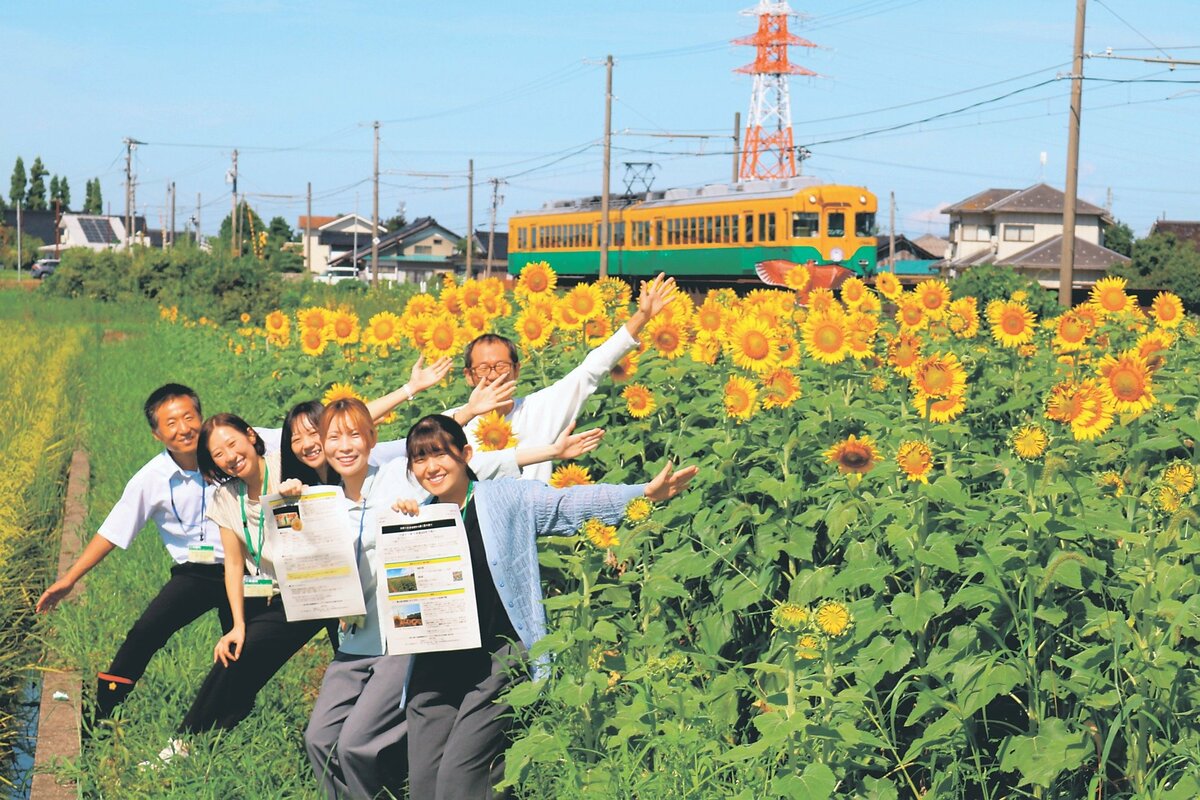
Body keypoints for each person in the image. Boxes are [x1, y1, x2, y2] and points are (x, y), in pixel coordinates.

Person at [304, 399, 605, 800]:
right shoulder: (321, 502)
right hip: (364, 639)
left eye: (354, 434)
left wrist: (551, 451)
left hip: (413, 638)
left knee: (364, 747)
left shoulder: (402, 477)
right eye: (333, 437)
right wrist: (291, 501)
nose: (344, 445)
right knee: (323, 740)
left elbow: (466, 460)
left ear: (373, 438)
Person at [394, 414, 697, 799]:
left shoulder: (504, 498)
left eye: (440, 454)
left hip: (495, 660)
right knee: (425, 786)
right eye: (419, 459)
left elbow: (568, 504)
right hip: (436, 667)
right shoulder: (416, 517)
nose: (430, 467)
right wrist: (401, 528)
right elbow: (403, 597)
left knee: (459, 781)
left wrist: (641, 494)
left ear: (465, 454)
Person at [35, 384, 281, 725]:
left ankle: (228, 722)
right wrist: (70, 579)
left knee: (243, 649)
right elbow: (113, 531)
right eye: (171, 423)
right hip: (197, 572)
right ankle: (104, 714)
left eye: (189, 417)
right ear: (157, 434)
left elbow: (302, 434)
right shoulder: (151, 479)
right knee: (145, 633)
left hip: (247, 568)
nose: (184, 429)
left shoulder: (229, 447)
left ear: (200, 416)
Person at [452, 273, 677, 482]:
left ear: (517, 370)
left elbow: (590, 370)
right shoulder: (453, 423)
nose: (493, 376)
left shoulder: (539, 410)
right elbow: (431, 453)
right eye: (483, 369)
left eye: (501, 366)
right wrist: (469, 412)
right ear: (469, 376)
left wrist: (641, 317)